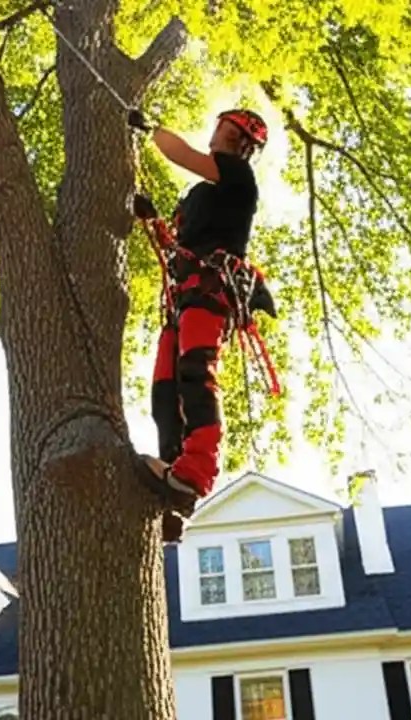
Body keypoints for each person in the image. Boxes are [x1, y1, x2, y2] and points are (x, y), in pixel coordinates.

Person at [126, 107, 274, 530]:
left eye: (234, 133)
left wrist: (151, 129)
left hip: (211, 293)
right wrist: (153, 220)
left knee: (196, 374)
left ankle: (196, 472)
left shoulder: (237, 178)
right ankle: (173, 484)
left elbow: (180, 153)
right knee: (165, 387)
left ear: (241, 143)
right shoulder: (199, 197)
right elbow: (178, 248)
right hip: (184, 296)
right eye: (226, 128)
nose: (225, 136)